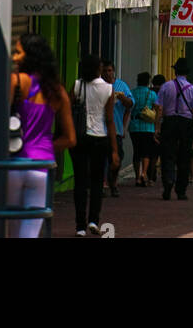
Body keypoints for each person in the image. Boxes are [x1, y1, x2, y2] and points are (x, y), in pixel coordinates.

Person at [8, 32, 75, 238]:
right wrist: (43, 148)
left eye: (18, 53)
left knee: (9, 224)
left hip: (12, 162)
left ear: (30, 56)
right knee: (30, 230)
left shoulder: (16, 81)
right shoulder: (58, 91)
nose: (14, 57)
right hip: (42, 167)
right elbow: (70, 138)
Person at [71, 54, 118, 236]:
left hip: (81, 137)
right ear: (98, 69)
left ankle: (80, 226)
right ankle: (93, 220)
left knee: (80, 182)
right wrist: (114, 150)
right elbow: (110, 119)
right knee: (97, 182)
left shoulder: (77, 86)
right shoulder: (108, 89)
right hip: (100, 138)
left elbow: (68, 109)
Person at [155, 58, 193, 201]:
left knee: (167, 155)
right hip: (186, 124)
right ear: (187, 73)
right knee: (184, 157)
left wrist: (157, 127)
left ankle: (168, 181)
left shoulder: (165, 87)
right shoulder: (192, 89)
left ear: (175, 71)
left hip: (169, 123)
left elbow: (159, 109)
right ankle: (181, 190)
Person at [98, 60, 133, 194]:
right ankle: (101, 185)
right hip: (99, 129)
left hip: (116, 129)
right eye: (105, 71)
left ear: (113, 71)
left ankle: (113, 181)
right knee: (101, 159)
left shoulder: (121, 86)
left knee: (117, 158)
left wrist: (123, 98)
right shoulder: (97, 85)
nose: (107, 73)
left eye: (110, 70)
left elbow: (130, 104)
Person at [130, 71, 159, 188]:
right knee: (146, 152)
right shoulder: (152, 94)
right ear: (148, 82)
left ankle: (137, 177)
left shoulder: (132, 93)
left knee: (136, 152)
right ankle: (144, 173)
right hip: (148, 127)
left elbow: (129, 107)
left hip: (135, 126)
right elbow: (157, 109)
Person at [145, 74, 166, 186]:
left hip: (148, 124)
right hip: (161, 125)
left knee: (149, 151)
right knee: (157, 153)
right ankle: (153, 175)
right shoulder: (164, 93)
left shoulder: (149, 92)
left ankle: (148, 174)